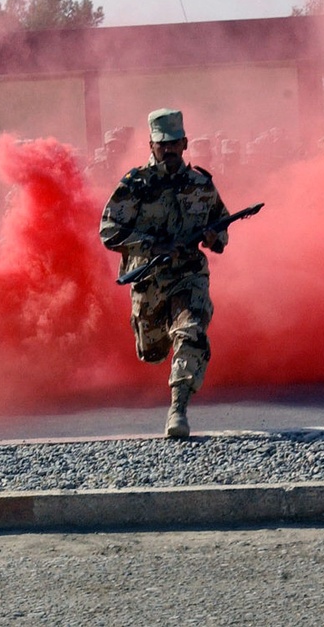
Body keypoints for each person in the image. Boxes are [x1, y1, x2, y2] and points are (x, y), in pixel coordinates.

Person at [99, 108, 231, 439]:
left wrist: (216, 239)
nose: (169, 150)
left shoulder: (201, 185)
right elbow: (109, 231)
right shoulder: (135, 186)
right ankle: (152, 340)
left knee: (191, 331)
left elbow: (221, 226)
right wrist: (152, 246)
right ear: (151, 145)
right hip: (148, 280)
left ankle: (178, 410)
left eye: (174, 143)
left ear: (185, 143)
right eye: (162, 145)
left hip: (188, 277)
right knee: (153, 352)